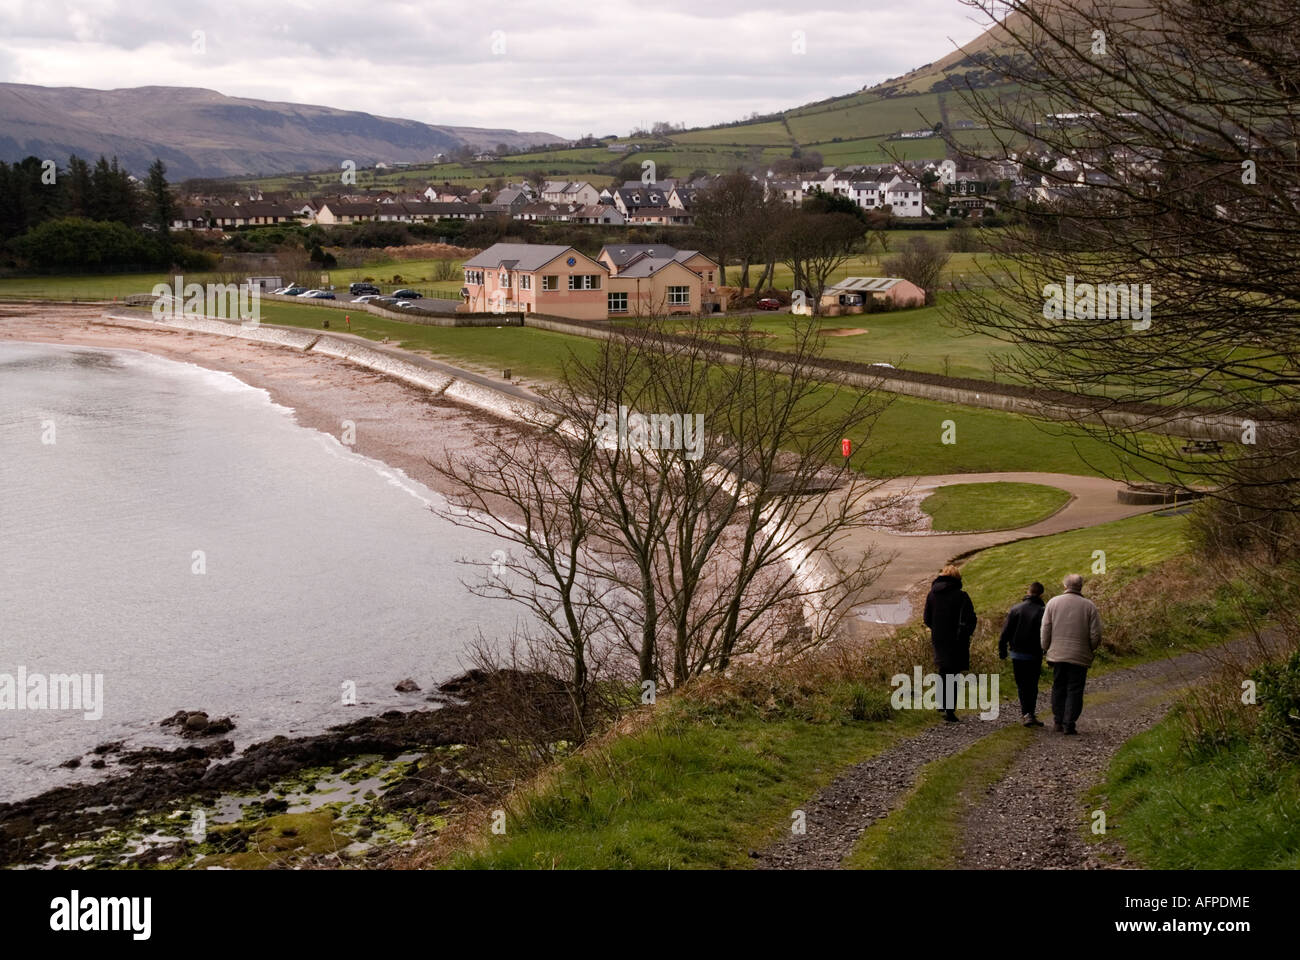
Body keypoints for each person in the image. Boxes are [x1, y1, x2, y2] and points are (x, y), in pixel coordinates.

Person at [1040, 573, 1103, 734]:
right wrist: (1089, 649)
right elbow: (1096, 634)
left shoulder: (1053, 603)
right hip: (1080, 656)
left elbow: (1045, 628)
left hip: (1057, 654)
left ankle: (1058, 721)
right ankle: (1070, 723)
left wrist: (1046, 647)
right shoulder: (1090, 606)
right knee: (1075, 689)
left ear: (1065, 586)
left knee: (1058, 686)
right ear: (1081, 586)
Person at [923, 564, 977, 722]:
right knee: (953, 673)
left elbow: (927, 618)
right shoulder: (961, 596)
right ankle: (949, 710)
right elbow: (971, 619)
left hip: (939, 638)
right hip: (957, 639)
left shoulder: (932, 595)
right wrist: (966, 633)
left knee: (943, 669)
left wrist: (937, 629)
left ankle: (941, 703)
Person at [999, 582, 1047, 727]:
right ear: (1041, 594)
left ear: (1028, 591)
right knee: (1032, 684)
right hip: (1034, 654)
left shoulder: (1015, 609)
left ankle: (1026, 713)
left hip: (1017, 654)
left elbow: (1005, 632)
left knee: (1021, 684)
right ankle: (1030, 713)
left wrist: (1002, 650)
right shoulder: (1041, 611)